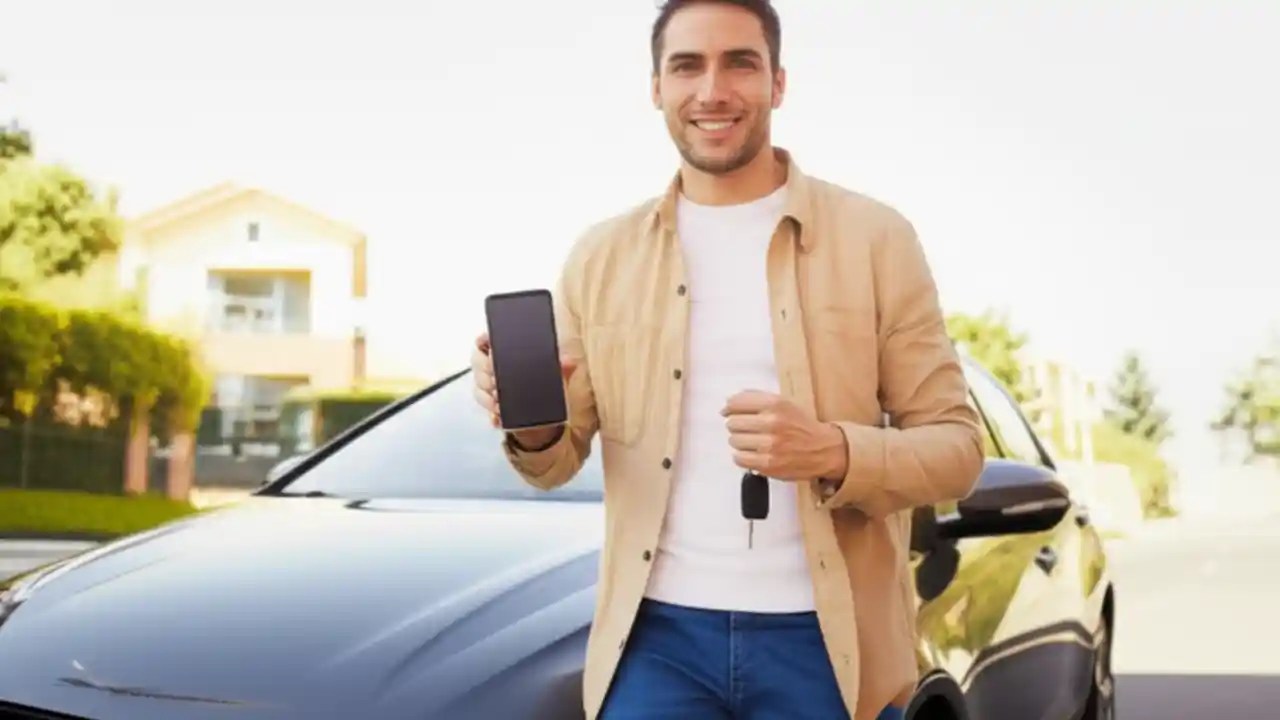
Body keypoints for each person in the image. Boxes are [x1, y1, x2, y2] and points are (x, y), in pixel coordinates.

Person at [470, 1, 984, 718]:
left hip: (828, 647)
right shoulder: (600, 257)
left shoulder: (876, 239)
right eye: (687, 66)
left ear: (778, 83)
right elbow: (553, 462)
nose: (712, 91)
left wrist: (832, 450)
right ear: (657, 88)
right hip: (655, 644)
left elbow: (958, 450)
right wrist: (530, 425)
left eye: (739, 63)